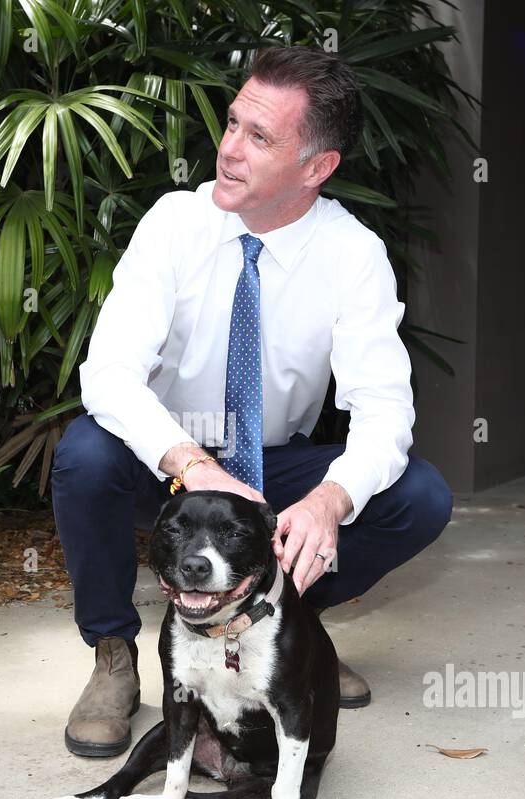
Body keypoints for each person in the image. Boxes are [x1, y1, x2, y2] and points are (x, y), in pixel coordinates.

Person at [51, 45, 453, 757]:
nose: (229, 149)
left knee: (417, 495)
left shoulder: (352, 254)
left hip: (274, 470)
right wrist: (191, 464)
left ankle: (283, 632)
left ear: (317, 167)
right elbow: (108, 372)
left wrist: (330, 500)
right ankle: (114, 656)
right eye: (233, 123)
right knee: (85, 452)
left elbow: (385, 412)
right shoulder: (175, 222)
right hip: (169, 467)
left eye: (259, 137)